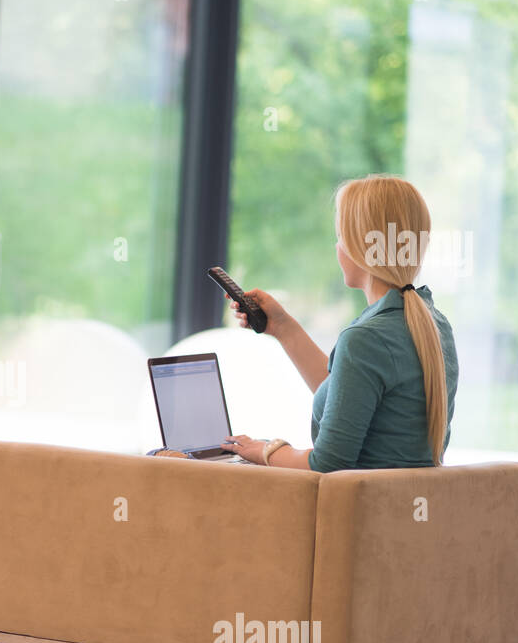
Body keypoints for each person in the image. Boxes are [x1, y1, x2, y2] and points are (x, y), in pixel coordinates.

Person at [185, 174, 458, 471]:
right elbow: (348, 399)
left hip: (354, 514)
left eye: (340, 237)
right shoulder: (435, 327)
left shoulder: (366, 338)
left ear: (358, 247)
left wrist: (266, 450)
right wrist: (283, 327)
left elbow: (327, 462)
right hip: (400, 511)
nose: (337, 247)